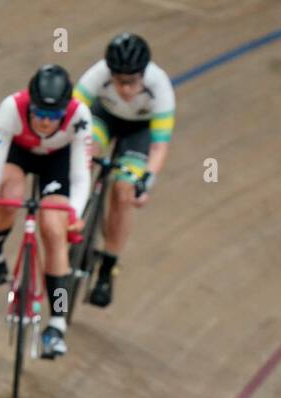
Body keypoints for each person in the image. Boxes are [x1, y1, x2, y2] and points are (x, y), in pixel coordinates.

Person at [0, 65, 91, 359]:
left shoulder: (80, 116)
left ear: (64, 111)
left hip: (57, 161)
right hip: (19, 154)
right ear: (30, 104)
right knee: (10, 195)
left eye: (52, 117)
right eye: (39, 113)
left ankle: (58, 322)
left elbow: (80, 175)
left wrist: (74, 215)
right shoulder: (11, 108)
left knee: (54, 230)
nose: (43, 122)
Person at [72, 33, 176, 308]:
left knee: (123, 191)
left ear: (144, 75)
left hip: (139, 132)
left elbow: (158, 148)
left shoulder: (160, 86)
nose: (126, 90)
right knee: (85, 150)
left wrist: (145, 182)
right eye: (119, 81)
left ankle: (107, 269)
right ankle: (73, 210)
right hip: (103, 117)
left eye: (132, 82)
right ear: (111, 74)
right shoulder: (97, 74)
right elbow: (72, 112)